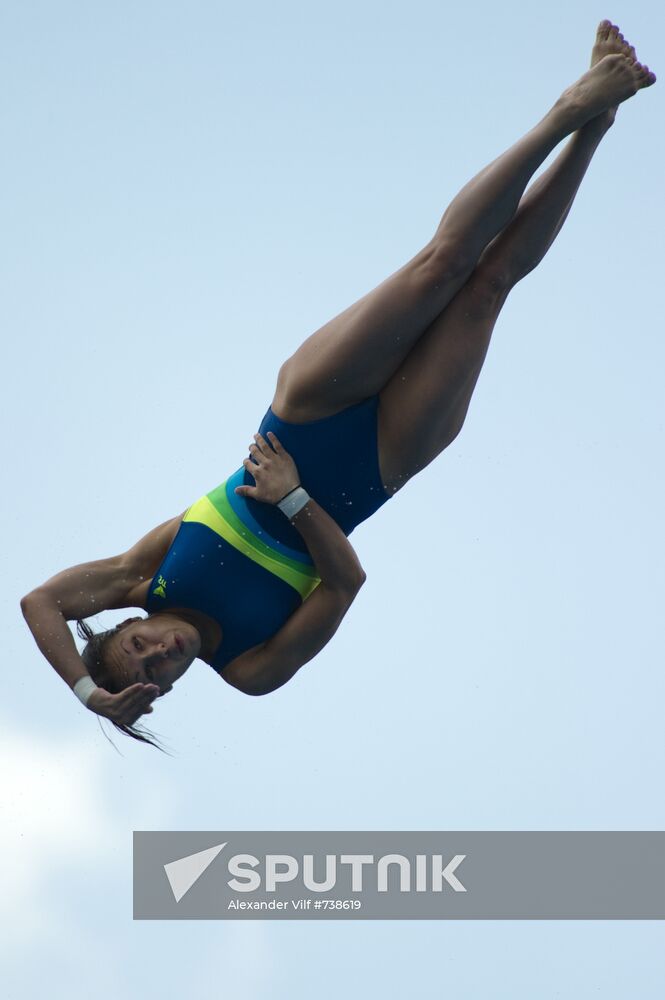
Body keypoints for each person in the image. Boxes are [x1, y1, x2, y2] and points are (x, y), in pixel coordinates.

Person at [21, 22, 655, 747]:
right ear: (169, 689)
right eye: (159, 675)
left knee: (440, 265)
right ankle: (597, 126)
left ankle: (569, 107)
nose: (162, 655)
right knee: (486, 289)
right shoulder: (248, 668)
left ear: (131, 624)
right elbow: (344, 583)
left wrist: (86, 693)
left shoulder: (142, 575)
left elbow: (40, 599)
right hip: (378, 466)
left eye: (140, 648)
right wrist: (292, 497)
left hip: (305, 412)